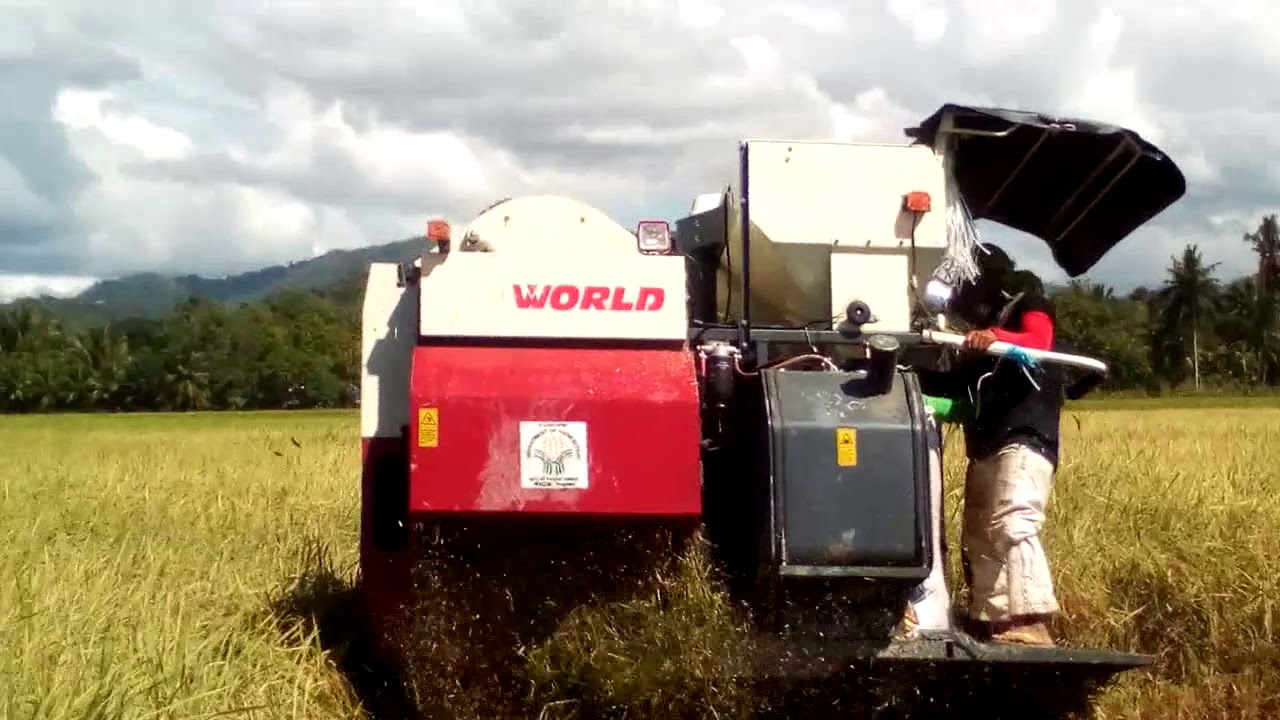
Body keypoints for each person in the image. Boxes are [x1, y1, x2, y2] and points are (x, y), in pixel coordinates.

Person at [918, 243, 1065, 647]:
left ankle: (1029, 620)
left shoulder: (1028, 304)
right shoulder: (974, 352)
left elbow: (1040, 339)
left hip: (1024, 435)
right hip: (985, 444)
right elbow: (958, 400)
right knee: (980, 534)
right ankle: (993, 621)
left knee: (1013, 520)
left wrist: (994, 336)